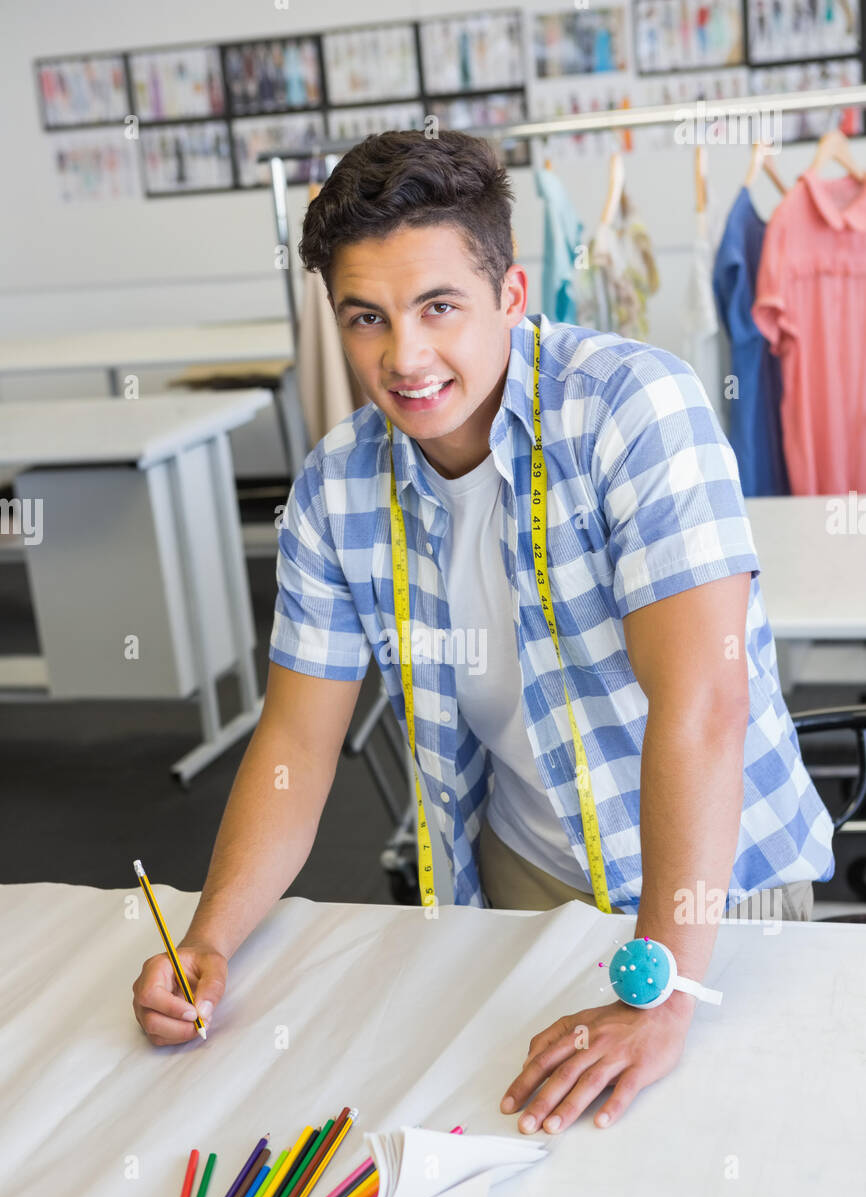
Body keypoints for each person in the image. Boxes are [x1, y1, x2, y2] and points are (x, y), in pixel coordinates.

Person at [132, 129, 834, 1137]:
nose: (403, 357)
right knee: (529, 1162)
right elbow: (295, 741)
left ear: (510, 296)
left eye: (437, 308)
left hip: (714, 889)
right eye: (365, 318)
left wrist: (662, 986)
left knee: (724, 1169)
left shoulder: (633, 409)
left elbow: (704, 705)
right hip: (519, 879)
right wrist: (211, 937)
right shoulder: (337, 485)